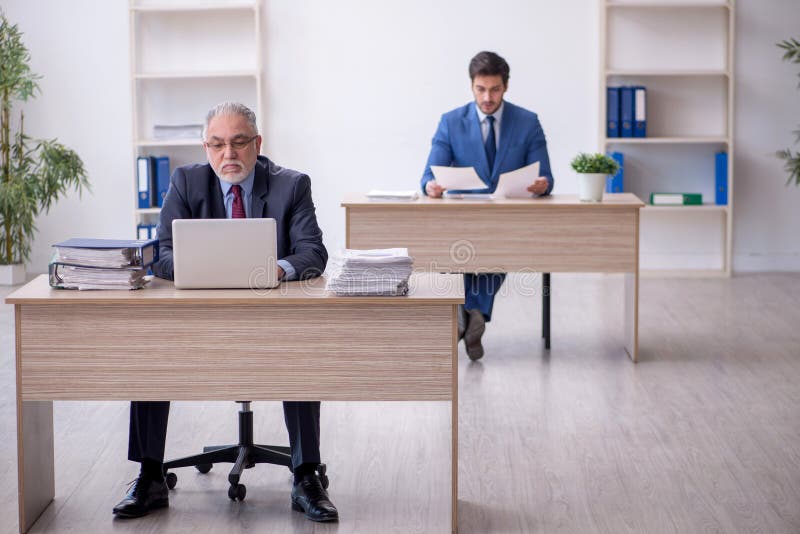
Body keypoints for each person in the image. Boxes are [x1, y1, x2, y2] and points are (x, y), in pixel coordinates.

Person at [112, 102, 338, 523]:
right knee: (150, 347)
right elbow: (161, 253)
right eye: (217, 145)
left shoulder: (291, 185)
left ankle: (306, 476)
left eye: (238, 142)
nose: (228, 154)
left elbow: (313, 253)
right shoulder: (186, 181)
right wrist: (202, 269)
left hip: (270, 318)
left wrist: (276, 269)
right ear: (206, 147)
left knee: (301, 343)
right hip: (199, 316)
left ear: (258, 143)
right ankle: (149, 475)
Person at [421, 51, 554, 361]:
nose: (487, 97)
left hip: (506, 222)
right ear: (471, 86)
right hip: (461, 219)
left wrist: (542, 184)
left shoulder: (527, 122)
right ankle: (476, 313)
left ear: (505, 86)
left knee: (497, 248)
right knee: (460, 249)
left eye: (494, 89)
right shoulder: (451, 122)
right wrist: (431, 186)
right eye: (480, 89)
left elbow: (546, 175)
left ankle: (465, 313)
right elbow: (428, 175)